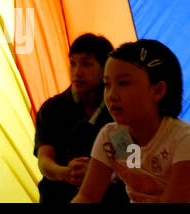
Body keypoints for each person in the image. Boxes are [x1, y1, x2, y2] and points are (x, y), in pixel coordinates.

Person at [74, 39, 190, 203]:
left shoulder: (186, 139)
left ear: (158, 91)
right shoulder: (113, 136)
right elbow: (87, 196)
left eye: (123, 83)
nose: (111, 95)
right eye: (107, 84)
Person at [34, 33, 127, 203]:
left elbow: (132, 163)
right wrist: (65, 173)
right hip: (59, 192)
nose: (77, 72)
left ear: (106, 68)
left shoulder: (117, 110)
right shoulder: (52, 109)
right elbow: (44, 160)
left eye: (86, 64)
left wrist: (100, 175)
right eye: (72, 63)